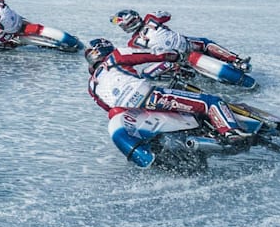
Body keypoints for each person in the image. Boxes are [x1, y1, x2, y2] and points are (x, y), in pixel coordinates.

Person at [84, 37, 242, 166]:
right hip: (149, 96)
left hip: (130, 112)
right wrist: (175, 55)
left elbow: (106, 107)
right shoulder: (116, 56)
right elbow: (151, 54)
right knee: (210, 102)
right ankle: (230, 132)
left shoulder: (92, 85)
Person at [111, 10, 250, 70]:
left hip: (172, 59)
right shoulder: (151, 18)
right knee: (205, 43)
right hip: (186, 46)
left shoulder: (132, 43)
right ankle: (236, 60)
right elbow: (167, 14)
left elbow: (143, 57)